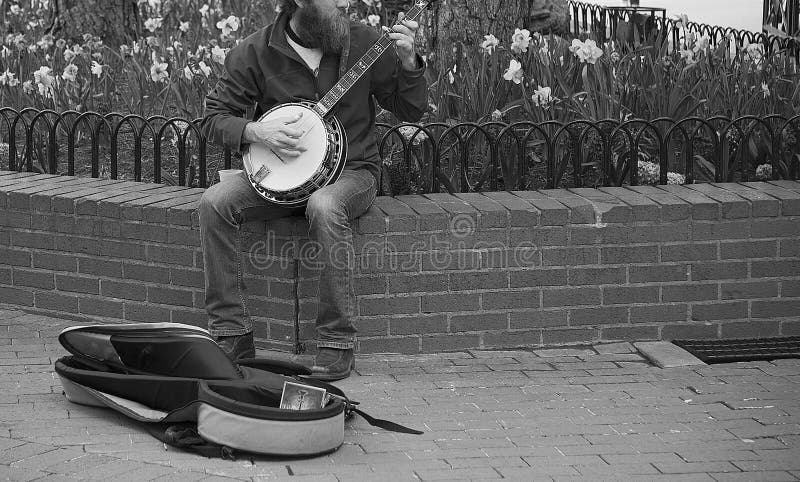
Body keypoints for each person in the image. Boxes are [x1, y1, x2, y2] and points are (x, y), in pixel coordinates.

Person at [199, 0, 427, 380]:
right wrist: (255, 132)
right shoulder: (256, 51)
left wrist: (408, 62)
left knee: (323, 204)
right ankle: (232, 334)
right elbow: (212, 119)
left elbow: (411, 110)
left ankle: (337, 342)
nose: (345, 2)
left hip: (351, 172)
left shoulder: (364, 43)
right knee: (215, 203)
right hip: (281, 179)